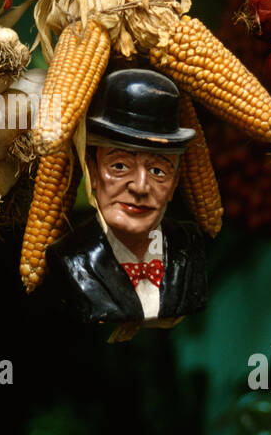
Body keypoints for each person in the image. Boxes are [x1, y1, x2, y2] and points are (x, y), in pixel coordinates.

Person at [41, 68, 209, 342]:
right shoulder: (70, 259)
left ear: (175, 182)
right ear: (92, 172)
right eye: (120, 166)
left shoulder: (189, 246)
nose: (140, 187)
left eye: (158, 171)